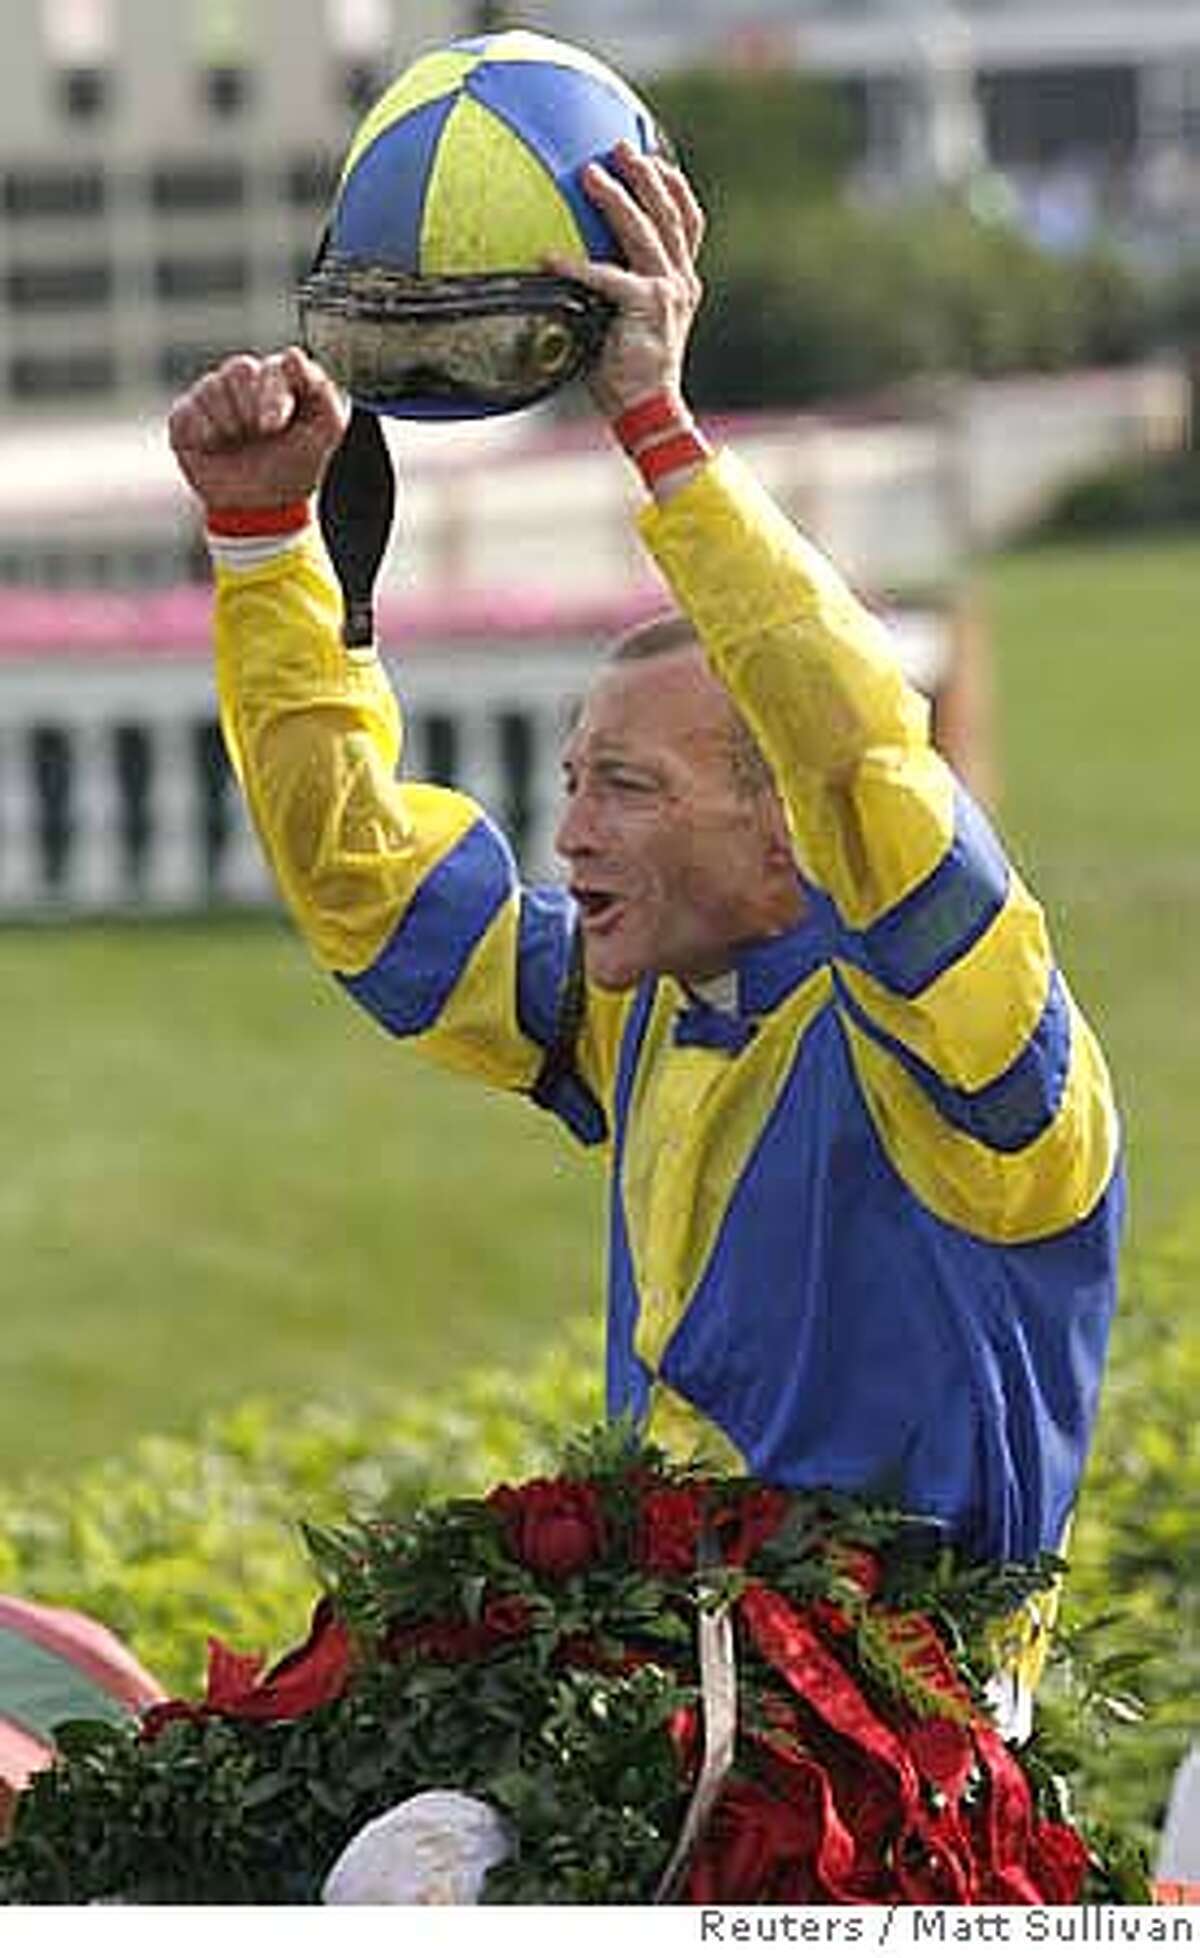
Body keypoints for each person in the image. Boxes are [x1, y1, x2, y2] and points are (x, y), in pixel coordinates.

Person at [168, 142, 1123, 1573]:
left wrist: (660, 429)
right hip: (669, 1678)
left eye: (626, 786)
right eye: (571, 783)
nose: (569, 834)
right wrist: (262, 546)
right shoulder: (641, 993)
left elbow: (860, 746)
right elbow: (365, 883)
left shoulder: (966, 1039)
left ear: (786, 819)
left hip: (902, 1748)